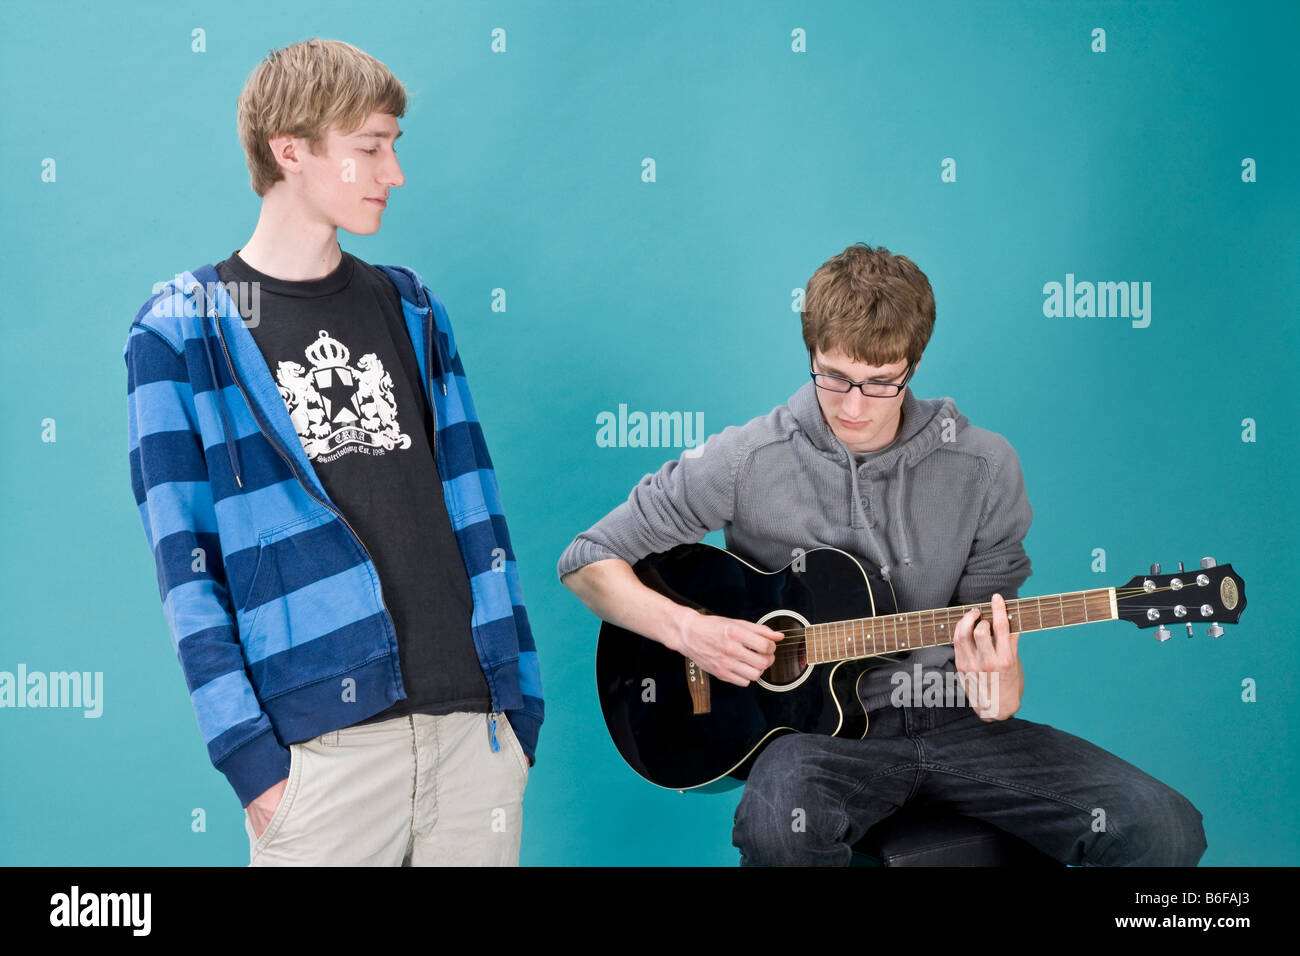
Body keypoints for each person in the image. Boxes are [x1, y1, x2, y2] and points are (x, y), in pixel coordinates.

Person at [558, 242, 1205, 866]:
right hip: (817, 744)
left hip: (956, 725)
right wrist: (691, 631)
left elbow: (991, 643)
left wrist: (1001, 684)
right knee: (777, 823)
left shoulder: (983, 466)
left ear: (912, 367)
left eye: (879, 383)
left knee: (1162, 828)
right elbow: (587, 561)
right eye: (833, 377)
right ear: (810, 351)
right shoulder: (745, 458)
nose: (852, 405)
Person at [124, 38, 542, 866]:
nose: (393, 173)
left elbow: (476, 502)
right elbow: (186, 564)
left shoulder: (412, 305)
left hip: (473, 737)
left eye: (394, 146)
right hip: (323, 757)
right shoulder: (181, 330)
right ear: (291, 151)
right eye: (369, 148)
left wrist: (518, 705)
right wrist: (252, 763)